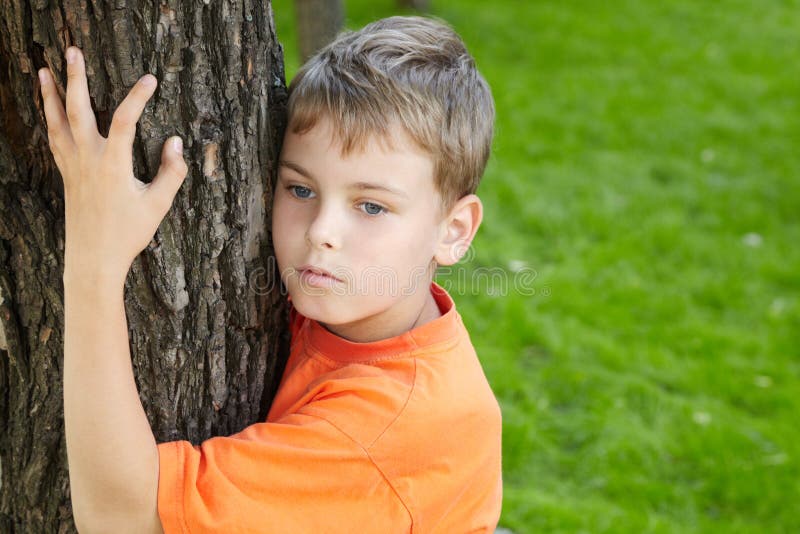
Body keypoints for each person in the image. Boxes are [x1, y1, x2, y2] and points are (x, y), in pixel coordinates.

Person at [42, 14, 501, 533]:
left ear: (455, 230)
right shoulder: (370, 313)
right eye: (300, 190)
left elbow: (121, 520)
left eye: (371, 207)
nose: (321, 232)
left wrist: (94, 258)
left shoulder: (387, 432)